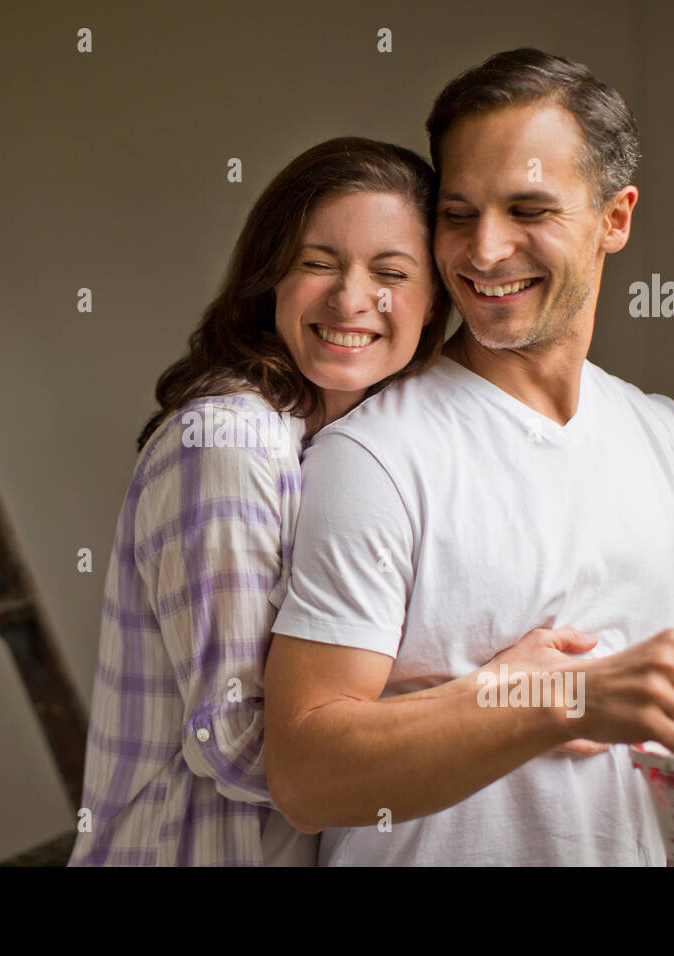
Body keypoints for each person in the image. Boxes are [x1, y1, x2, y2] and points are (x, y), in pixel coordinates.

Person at [264, 48, 674, 866]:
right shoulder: (374, 457)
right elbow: (304, 773)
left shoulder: (665, 437)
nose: (484, 250)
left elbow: (672, 711)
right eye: (460, 213)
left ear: (615, 218)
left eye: (527, 208)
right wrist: (557, 699)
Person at [69, 137, 451, 866]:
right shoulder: (228, 442)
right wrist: (495, 714)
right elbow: (239, 744)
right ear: (269, 275)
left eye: (391, 272)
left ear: (433, 304)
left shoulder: (367, 443)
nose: (350, 298)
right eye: (318, 262)